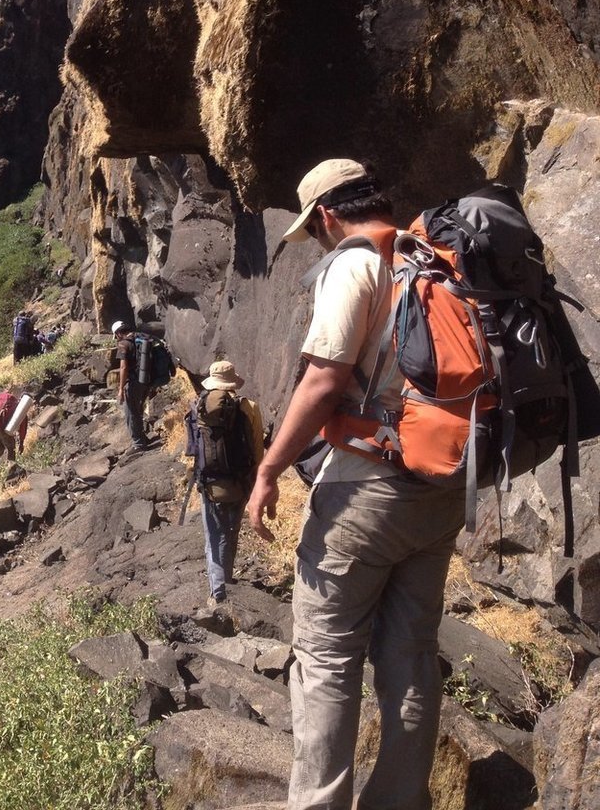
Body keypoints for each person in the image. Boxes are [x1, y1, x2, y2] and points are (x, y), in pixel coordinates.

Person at [246, 159, 464, 810]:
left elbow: (322, 381)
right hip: (446, 481)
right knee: (411, 651)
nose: (316, 242)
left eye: (313, 231)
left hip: (368, 487)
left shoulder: (353, 263)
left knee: (326, 657)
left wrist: (268, 470)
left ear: (326, 216)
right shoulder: (435, 257)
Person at [185, 360, 265, 607]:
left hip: (209, 482)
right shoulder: (249, 407)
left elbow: (192, 448)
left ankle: (217, 591)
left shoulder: (197, 406)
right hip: (241, 480)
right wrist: (256, 480)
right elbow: (258, 449)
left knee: (213, 534)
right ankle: (227, 580)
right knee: (231, 531)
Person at [112, 320, 150, 450]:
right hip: (147, 379)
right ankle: (143, 437)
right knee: (137, 409)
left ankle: (138, 443)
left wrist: (121, 389)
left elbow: (123, 368)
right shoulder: (140, 337)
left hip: (134, 382)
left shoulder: (123, 344)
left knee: (131, 412)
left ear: (118, 333)